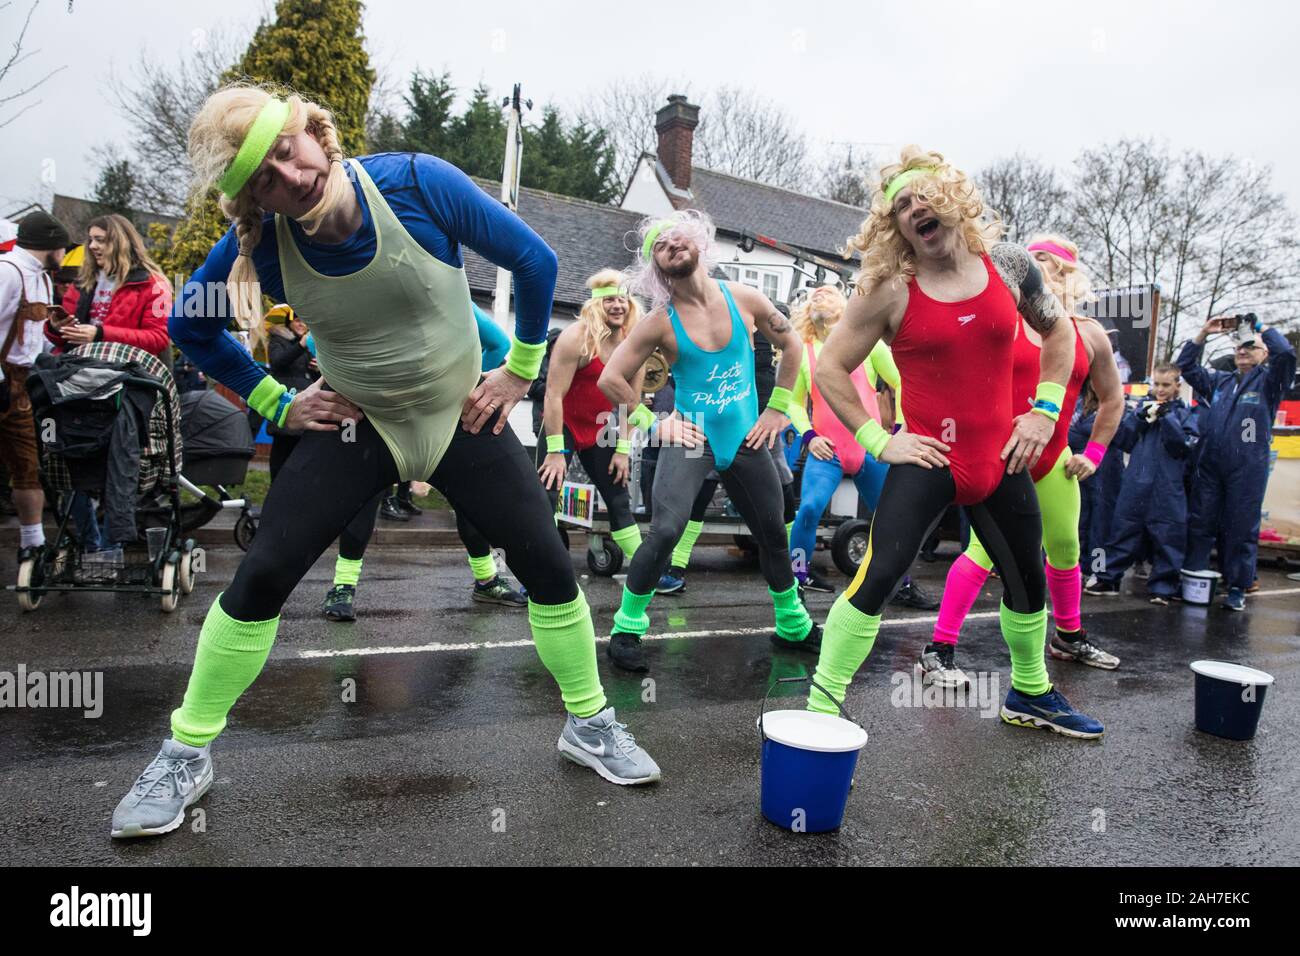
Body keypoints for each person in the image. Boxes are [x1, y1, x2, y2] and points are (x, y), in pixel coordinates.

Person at [111, 86, 661, 840]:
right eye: (266, 178)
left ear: (313, 131)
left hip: (463, 417)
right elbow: (189, 327)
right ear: (254, 200)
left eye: (289, 150)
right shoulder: (261, 246)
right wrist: (277, 402)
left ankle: (589, 725)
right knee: (262, 573)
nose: (292, 175)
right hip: (357, 426)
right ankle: (184, 752)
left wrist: (520, 372)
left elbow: (535, 262)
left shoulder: (416, 183)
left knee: (547, 564)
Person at [806, 147, 1104, 739]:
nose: (915, 209)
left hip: (1000, 457)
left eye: (924, 196)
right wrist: (877, 439)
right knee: (878, 576)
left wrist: (1045, 412)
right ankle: (820, 708)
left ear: (951, 201)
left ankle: (1031, 693)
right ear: (894, 226)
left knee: (1028, 580)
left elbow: (1059, 333)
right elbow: (830, 368)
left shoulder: (1010, 265)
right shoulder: (887, 289)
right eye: (901, 206)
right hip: (929, 459)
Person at [597, 209, 820, 673]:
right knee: (665, 532)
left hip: (744, 436)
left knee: (772, 532)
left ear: (698, 243)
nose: (671, 246)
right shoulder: (659, 322)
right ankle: (626, 629)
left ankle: (793, 625)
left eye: (677, 237)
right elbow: (611, 378)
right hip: (692, 437)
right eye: (660, 246)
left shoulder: (744, 297)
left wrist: (777, 408)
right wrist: (655, 424)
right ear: (656, 267)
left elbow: (793, 345)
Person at [922, 235, 1125, 687]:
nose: (1029, 266)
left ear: (1067, 273)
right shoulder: (1000, 319)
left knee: (1066, 549)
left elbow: (1113, 399)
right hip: (999, 461)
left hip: (1054, 461)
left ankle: (1069, 638)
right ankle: (939, 648)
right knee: (982, 553)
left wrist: (1093, 454)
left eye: (1042, 260)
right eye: (1026, 260)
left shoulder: (1088, 334)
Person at [317, 300, 528, 620]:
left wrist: (467, 393)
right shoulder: (371, 294)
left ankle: (486, 580)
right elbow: (316, 341)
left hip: (432, 418)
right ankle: (343, 584)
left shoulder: (448, 296)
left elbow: (499, 344)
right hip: (385, 417)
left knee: (471, 500)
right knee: (363, 499)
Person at [1178, 316, 1296, 611]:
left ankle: (1237, 586)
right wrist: (1203, 333)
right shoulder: (1221, 381)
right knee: (1201, 521)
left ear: (1264, 353)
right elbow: (1187, 366)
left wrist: (1260, 329)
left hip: (1247, 467)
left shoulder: (1270, 382)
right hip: (1211, 465)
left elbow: (1285, 354)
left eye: (1249, 347)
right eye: (1239, 347)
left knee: (1240, 526)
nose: (1242, 351)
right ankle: (1193, 578)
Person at [537, 270, 646, 564]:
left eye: (623, 300)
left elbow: (631, 404)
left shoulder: (635, 345)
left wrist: (623, 450)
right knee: (547, 498)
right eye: (609, 300)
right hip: (563, 425)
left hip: (598, 429)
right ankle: (544, 570)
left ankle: (643, 570)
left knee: (619, 499)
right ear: (597, 304)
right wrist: (556, 451)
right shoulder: (577, 338)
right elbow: (553, 395)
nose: (618, 306)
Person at [1084, 363, 1198, 603]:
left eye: (1166, 385)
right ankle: (1108, 577)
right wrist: (1139, 418)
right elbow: (1123, 440)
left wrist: (1167, 418)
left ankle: (1163, 587)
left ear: (1177, 386)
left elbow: (1183, 447)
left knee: (1168, 535)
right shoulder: (1141, 409)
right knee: (1123, 530)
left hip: (1167, 486)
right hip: (1136, 482)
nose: (1160, 389)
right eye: (1157, 384)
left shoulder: (1184, 414)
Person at [0, 211, 69, 562]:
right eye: (63, 247)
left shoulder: (41, 277)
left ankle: (33, 546)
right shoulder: (8, 272)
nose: (65, 254)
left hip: (22, 386)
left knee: (27, 465)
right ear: (51, 245)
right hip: (3, 379)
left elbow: (32, 338)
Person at [46, 214, 171, 358]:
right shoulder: (82, 281)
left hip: (123, 367)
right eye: (91, 240)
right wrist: (56, 328)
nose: (92, 246)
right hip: (76, 363)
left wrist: (100, 334)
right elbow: (63, 340)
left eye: (100, 240)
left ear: (121, 243)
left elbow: (158, 338)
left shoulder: (154, 285)